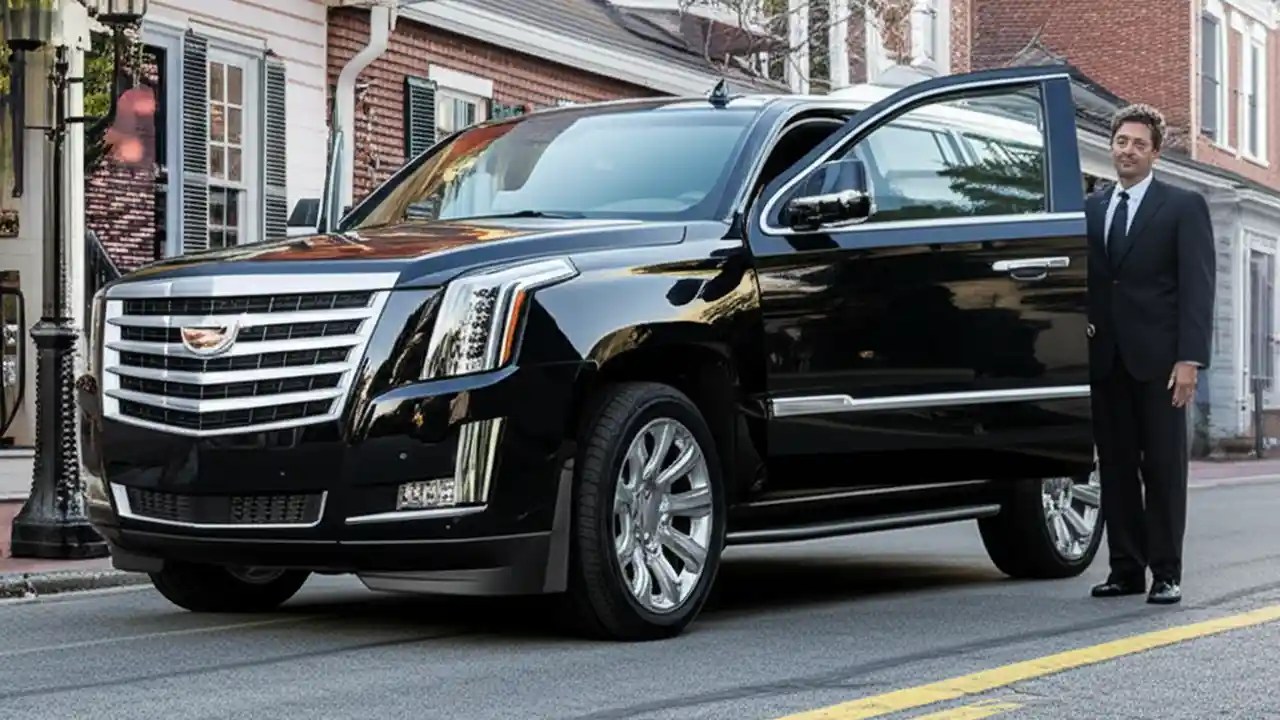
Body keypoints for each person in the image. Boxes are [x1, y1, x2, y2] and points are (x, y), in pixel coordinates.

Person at [1085, 104, 1215, 605]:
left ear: (1155, 153)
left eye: (1139, 144)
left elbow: (1197, 289)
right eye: (1121, 141)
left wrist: (1190, 360)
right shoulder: (1092, 208)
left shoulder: (1183, 208)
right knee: (1115, 468)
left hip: (1162, 364)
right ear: (1112, 145)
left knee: (1163, 468)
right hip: (1107, 358)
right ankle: (1125, 569)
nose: (1127, 151)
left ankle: (1165, 571)